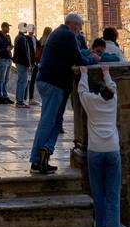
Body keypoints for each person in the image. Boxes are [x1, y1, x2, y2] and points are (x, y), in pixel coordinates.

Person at [29, 13, 85, 175]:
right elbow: (80, 59)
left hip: (51, 82)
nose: (79, 32)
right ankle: (36, 160)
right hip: (53, 84)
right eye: (79, 28)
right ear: (74, 25)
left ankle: (46, 151)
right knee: (48, 121)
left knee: (56, 122)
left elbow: (75, 56)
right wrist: (94, 59)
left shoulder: (58, 32)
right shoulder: (67, 34)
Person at [77, 63, 123, 227]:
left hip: (95, 150)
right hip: (112, 149)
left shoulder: (90, 101)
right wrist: (106, 73)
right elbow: (112, 86)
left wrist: (83, 74)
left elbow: (81, 90)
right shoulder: (113, 101)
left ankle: (100, 224)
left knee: (97, 189)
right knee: (113, 191)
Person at [13, 23, 34, 107]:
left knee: (20, 81)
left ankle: (19, 100)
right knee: (23, 81)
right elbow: (24, 53)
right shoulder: (21, 38)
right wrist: (28, 64)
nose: (27, 29)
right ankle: (20, 101)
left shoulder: (19, 37)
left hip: (19, 62)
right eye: (25, 27)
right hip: (22, 63)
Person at [0, 22, 14, 103]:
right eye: (7, 27)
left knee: (6, 79)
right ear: (3, 27)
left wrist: (11, 47)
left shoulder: (8, 37)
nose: (9, 29)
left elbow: (10, 45)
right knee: (1, 79)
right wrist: (6, 50)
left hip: (8, 59)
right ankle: (0, 97)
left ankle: (5, 96)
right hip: (2, 60)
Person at [30, 26, 50, 105]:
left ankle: (30, 98)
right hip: (41, 63)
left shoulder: (39, 39)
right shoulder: (47, 42)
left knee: (33, 81)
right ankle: (31, 99)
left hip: (37, 62)